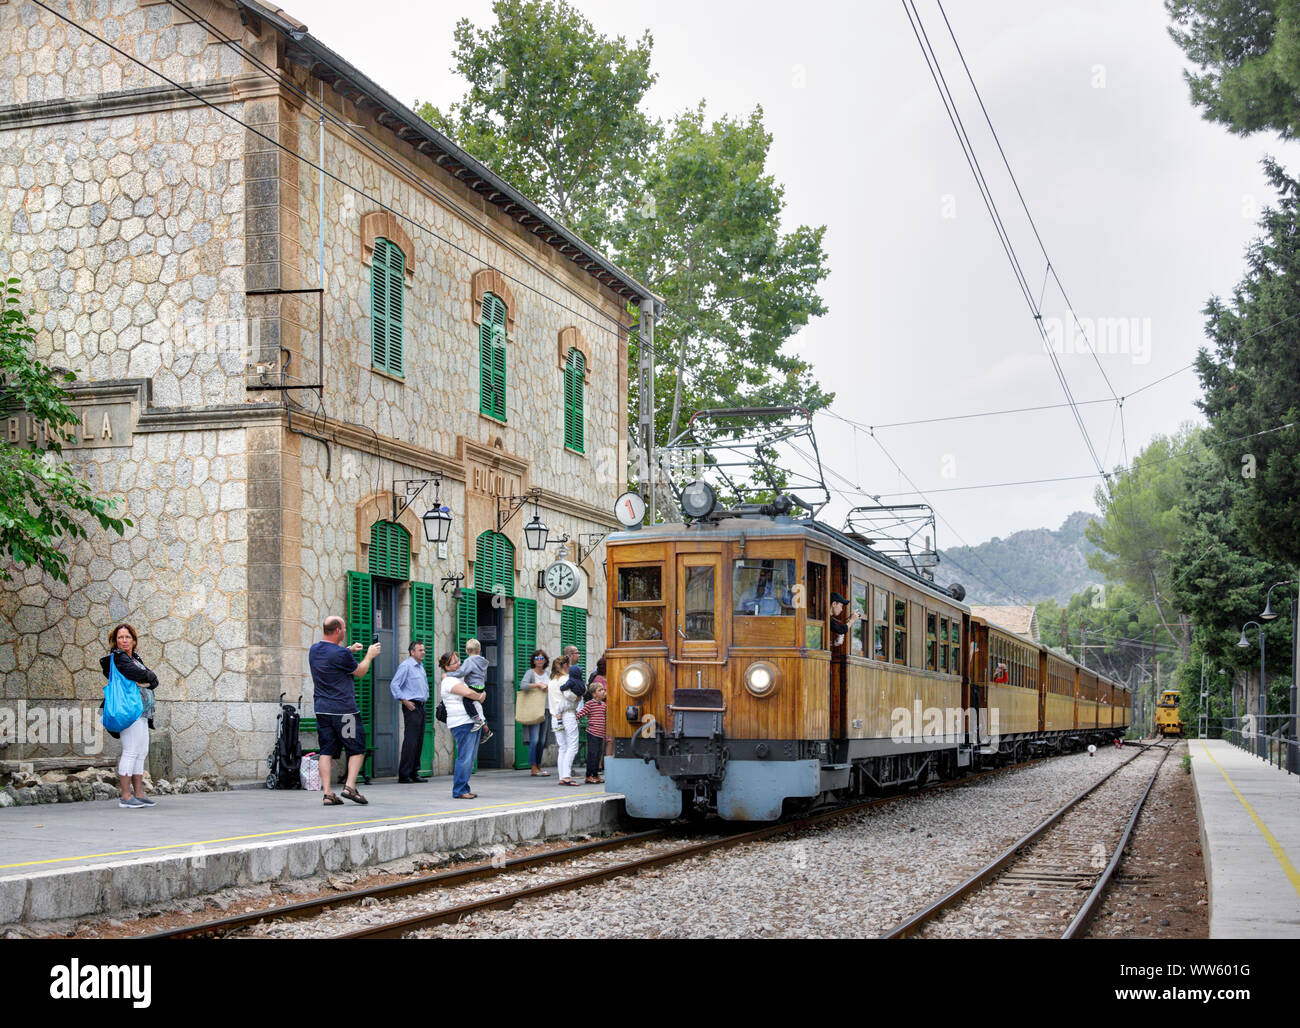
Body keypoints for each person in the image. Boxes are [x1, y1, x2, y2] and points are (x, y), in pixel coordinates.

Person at [308, 615, 380, 806]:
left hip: (322, 710)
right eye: (344, 628)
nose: (346, 630)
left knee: (326, 751)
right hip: (344, 712)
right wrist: (369, 655)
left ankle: (327, 793)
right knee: (356, 748)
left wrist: (349, 650)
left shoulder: (314, 650)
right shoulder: (341, 655)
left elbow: (333, 658)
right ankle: (349, 786)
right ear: (338, 630)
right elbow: (360, 672)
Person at [100, 623, 159, 809]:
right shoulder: (118, 658)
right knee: (130, 750)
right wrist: (148, 675)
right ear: (115, 641)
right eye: (120, 637)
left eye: (127, 637)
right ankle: (126, 796)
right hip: (127, 711)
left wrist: (148, 676)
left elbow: (150, 680)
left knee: (141, 752)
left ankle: (139, 793)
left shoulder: (135, 657)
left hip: (140, 711)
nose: (124, 640)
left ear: (134, 640)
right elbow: (136, 673)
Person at [440, 651, 484, 799]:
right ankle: (459, 790)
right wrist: (480, 696)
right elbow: (470, 694)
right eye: (454, 662)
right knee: (464, 757)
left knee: (470, 758)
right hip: (461, 722)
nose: (459, 664)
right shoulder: (449, 681)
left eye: (459, 661)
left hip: (470, 721)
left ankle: (464, 787)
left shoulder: (459, 678)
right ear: (446, 667)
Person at [390, 640, 429, 783]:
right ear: (412, 652)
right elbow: (394, 684)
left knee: (419, 740)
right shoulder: (406, 666)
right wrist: (404, 701)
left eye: (423, 650)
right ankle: (404, 774)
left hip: (421, 705)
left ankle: (414, 771)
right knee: (411, 740)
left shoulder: (420, 667)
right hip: (411, 706)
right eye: (420, 650)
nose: (423, 652)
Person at [443, 638, 493, 742]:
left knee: (467, 701)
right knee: (477, 706)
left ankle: (477, 720)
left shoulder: (469, 661)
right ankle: (486, 728)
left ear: (466, 651)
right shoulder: (482, 661)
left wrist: (448, 674)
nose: (458, 663)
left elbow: (461, 672)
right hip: (481, 686)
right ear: (479, 650)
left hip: (473, 686)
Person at [548, 655, 582, 786]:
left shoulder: (551, 681)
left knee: (562, 747)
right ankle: (567, 776)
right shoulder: (565, 679)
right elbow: (568, 695)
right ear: (566, 665)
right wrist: (577, 697)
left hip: (554, 717)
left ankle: (562, 776)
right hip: (567, 714)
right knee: (573, 746)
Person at [517, 648, 552, 776]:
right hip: (534, 708)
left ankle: (539, 766)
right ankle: (533, 767)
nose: (539, 660)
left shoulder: (548, 673)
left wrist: (548, 687)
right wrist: (537, 685)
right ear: (533, 660)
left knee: (542, 740)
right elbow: (523, 685)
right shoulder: (530, 673)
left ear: (545, 660)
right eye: (537, 658)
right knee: (535, 739)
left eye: (542, 658)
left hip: (546, 708)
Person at [582, 679, 607, 784]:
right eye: (600, 690)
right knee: (592, 754)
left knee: (598, 754)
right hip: (592, 733)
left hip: (601, 734)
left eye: (603, 690)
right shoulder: (589, 704)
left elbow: (606, 719)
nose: (603, 692)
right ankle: (589, 775)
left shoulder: (604, 705)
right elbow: (581, 714)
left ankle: (596, 775)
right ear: (594, 694)